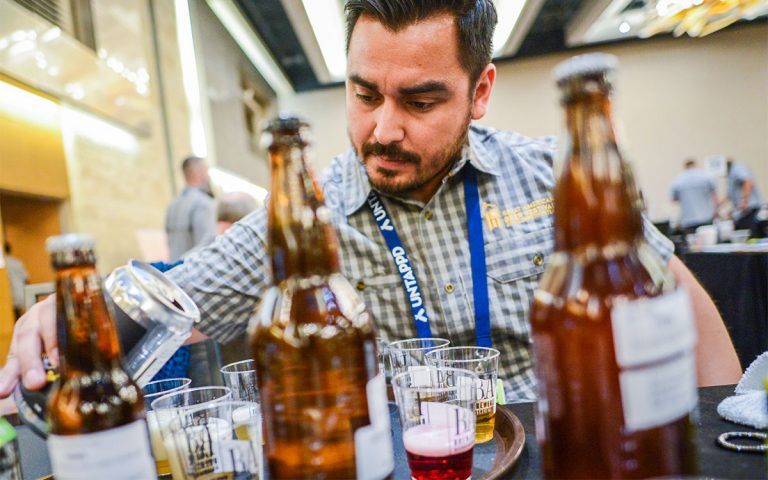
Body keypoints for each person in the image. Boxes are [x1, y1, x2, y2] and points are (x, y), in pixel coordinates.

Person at [0, 0, 741, 402]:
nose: (382, 129)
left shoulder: (559, 179)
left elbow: (678, 298)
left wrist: (725, 429)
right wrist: (69, 310)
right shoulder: (305, 218)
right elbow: (174, 293)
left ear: (480, 91)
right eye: (363, 94)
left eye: (421, 100)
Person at [165, 156, 216, 261]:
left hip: (173, 270)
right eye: (206, 171)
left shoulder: (173, 205)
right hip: (192, 270)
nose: (208, 177)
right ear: (199, 173)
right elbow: (207, 245)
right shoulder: (204, 203)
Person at [670, 159, 718, 234]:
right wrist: (716, 211)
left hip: (688, 221)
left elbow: (673, 200)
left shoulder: (677, 180)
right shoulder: (706, 177)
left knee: (692, 243)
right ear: (695, 165)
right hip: (706, 218)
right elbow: (714, 196)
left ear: (685, 167)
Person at [726, 158, 763, 232]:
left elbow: (747, 181)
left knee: (748, 232)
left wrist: (744, 200)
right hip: (743, 210)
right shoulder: (730, 175)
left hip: (748, 208)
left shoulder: (737, 169)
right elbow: (729, 194)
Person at [3, 242, 27, 320]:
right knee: (22, 316)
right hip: (20, 292)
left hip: (9, 295)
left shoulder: (3, 264)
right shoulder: (17, 262)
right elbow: (26, 278)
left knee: (13, 318)